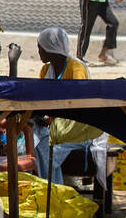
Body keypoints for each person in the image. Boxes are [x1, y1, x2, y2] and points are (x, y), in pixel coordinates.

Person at [32, 25, 96, 185]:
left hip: (78, 129)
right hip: (54, 127)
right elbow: (38, 99)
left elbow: (78, 104)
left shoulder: (76, 68)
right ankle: (49, 191)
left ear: (50, 48)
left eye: (41, 48)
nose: (39, 52)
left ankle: (53, 194)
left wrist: (52, 117)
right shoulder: (46, 69)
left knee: (45, 149)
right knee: (28, 142)